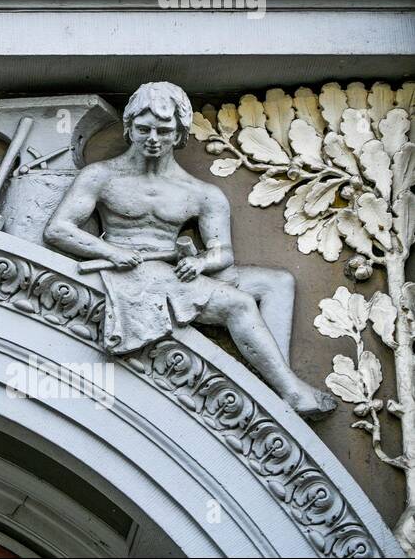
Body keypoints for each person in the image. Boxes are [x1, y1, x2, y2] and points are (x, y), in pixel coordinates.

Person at [43, 81, 336, 419]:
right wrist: (111, 253)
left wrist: (199, 263)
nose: (153, 138)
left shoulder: (201, 193)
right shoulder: (102, 176)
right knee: (238, 305)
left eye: (164, 131)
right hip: (133, 270)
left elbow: (222, 253)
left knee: (279, 282)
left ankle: (273, 380)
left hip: (175, 268)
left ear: (180, 133)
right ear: (130, 129)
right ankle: (290, 391)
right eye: (144, 129)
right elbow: (58, 229)